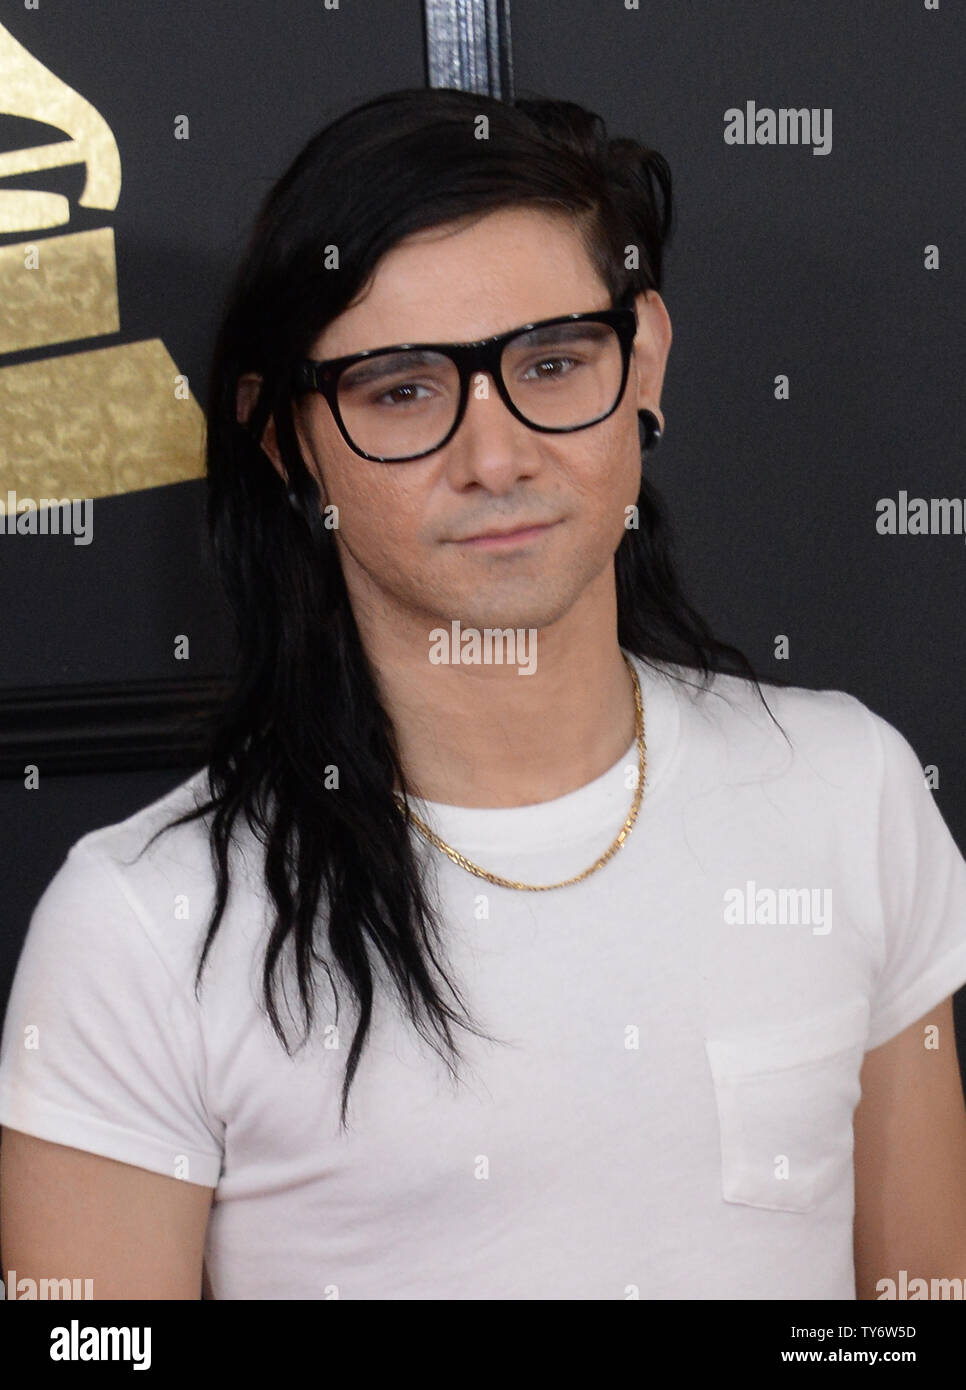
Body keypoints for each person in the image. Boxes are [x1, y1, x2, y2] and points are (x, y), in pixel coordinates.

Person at [2, 86, 966, 1302]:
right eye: (401, 390)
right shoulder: (143, 924)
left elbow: (925, 1294)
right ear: (285, 438)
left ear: (647, 358)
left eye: (552, 363)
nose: (495, 456)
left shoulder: (849, 788)